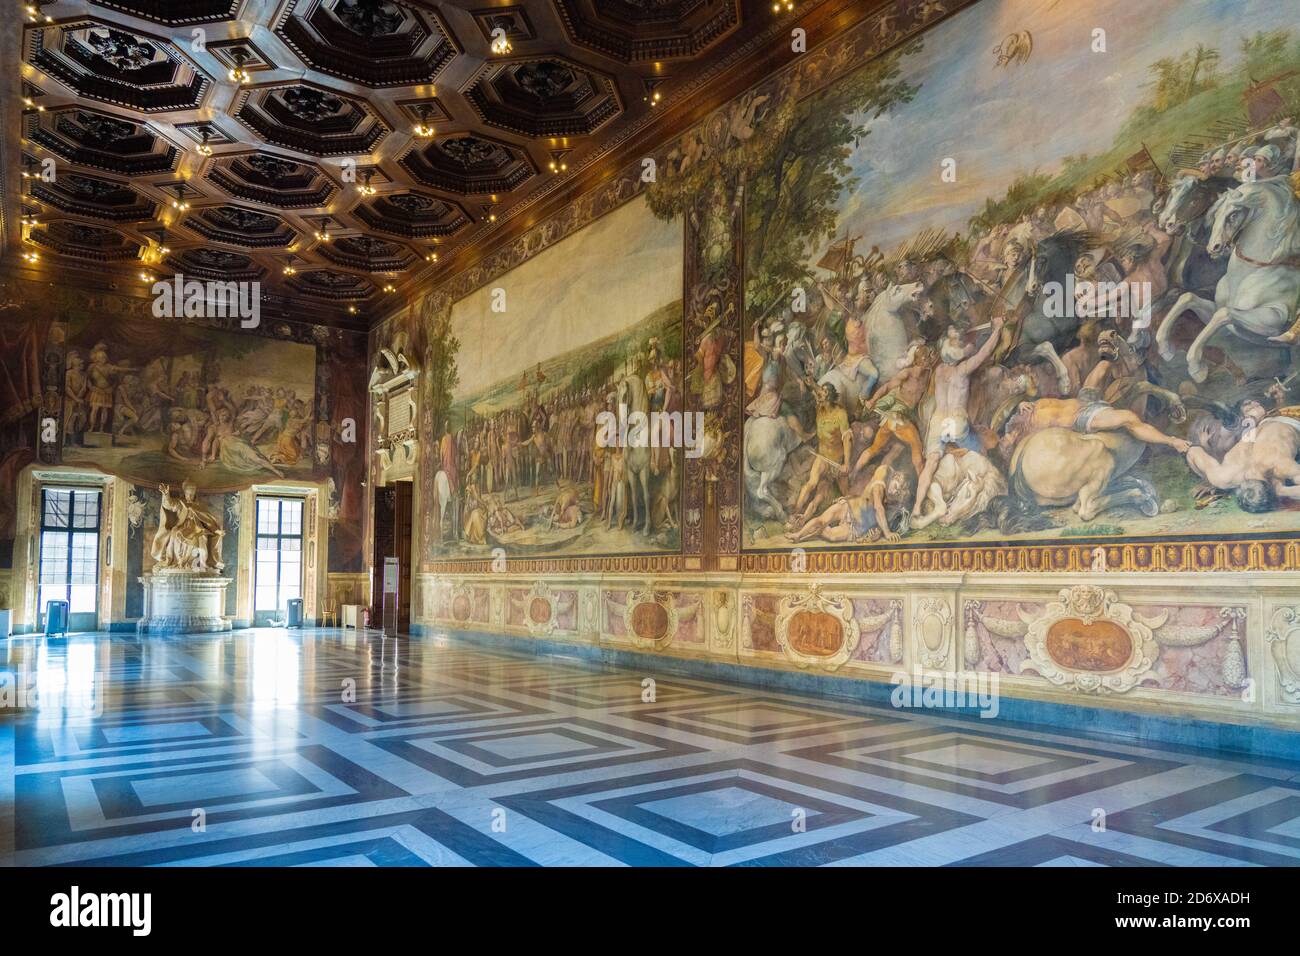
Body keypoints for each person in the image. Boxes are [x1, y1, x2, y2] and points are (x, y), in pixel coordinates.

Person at [914, 316, 1004, 516]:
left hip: (939, 422)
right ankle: (979, 503)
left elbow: (956, 350)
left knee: (930, 465)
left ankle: (916, 508)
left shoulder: (938, 371)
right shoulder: (963, 369)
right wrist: (997, 330)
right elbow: (984, 352)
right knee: (982, 454)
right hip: (956, 423)